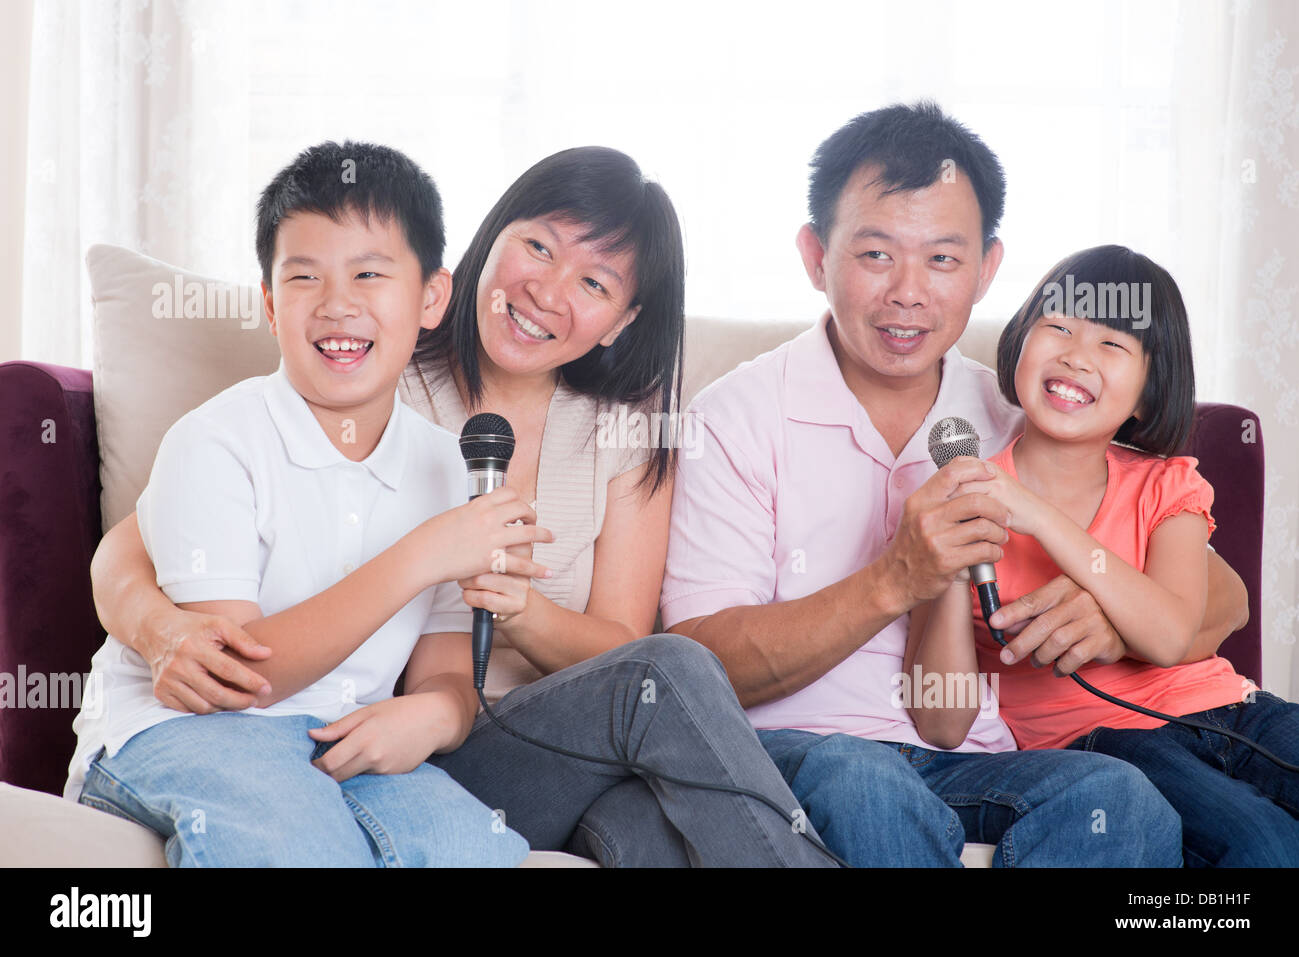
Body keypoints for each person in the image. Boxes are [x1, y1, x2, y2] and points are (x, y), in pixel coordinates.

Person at [86, 145, 835, 867]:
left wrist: (518, 615)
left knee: (658, 815)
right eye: (538, 247)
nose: (547, 289)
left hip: (528, 739)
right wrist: (158, 628)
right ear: (490, 237)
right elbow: (141, 540)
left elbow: (624, 653)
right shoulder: (371, 366)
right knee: (671, 682)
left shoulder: (614, 430)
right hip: (429, 742)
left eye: (594, 283)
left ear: (625, 318)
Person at [658, 102, 1249, 866]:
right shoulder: (733, 417)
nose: (910, 291)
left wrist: (1110, 618)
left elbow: (1223, 596)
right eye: (875, 255)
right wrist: (893, 578)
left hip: (985, 755)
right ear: (814, 255)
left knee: (1122, 797)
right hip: (806, 751)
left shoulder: (1024, 407)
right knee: (864, 781)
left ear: (987, 268)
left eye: (942, 259)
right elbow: (702, 664)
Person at [66, 141, 540, 866]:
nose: (338, 304)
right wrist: (423, 555)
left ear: (431, 298)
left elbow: (446, 667)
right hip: (188, 728)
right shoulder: (214, 442)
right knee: (298, 848)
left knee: (471, 848)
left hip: (337, 735)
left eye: (371, 274)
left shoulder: (448, 467)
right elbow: (240, 678)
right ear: (269, 303)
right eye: (304, 277)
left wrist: (434, 713)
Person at [912, 243, 1299, 867]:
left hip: (1236, 712)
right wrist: (954, 572)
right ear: (1019, 345)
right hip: (1107, 745)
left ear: (1148, 393)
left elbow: (1171, 635)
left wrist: (1037, 515)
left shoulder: (1167, 483)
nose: (1075, 354)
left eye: (1112, 346)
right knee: (1266, 847)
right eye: (1058, 328)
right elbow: (941, 725)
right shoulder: (964, 498)